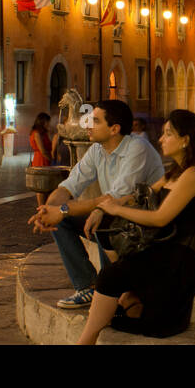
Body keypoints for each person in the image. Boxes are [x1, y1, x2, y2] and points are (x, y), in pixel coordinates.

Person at [76, 110, 195, 343]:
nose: (160, 139)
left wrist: (116, 209)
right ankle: (129, 297)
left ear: (185, 140)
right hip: (171, 243)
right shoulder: (178, 171)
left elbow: (159, 218)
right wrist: (104, 208)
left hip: (189, 252)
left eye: (168, 134)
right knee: (107, 228)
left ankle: (86, 339)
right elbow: (140, 195)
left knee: (109, 277)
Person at [27, 100, 165, 308]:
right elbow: (69, 186)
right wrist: (47, 210)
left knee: (102, 216)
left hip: (145, 223)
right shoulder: (97, 150)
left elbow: (113, 199)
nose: (88, 125)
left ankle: (108, 286)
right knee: (69, 220)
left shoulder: (137, 148)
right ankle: (88, 286)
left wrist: (63, 210)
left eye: (95, 121)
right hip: (117, 214)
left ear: (114, 129)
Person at [29, 113, 53, 209]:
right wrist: (51, 159)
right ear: (42, 122)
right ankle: (41, 207)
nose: (49, 124)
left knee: (46, 185)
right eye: (47, 122)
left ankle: (45, 207)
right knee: (41, 186)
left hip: (44, 159)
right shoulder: (36, 133)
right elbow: (42, 150)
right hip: (41, 160)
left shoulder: (43, 133)